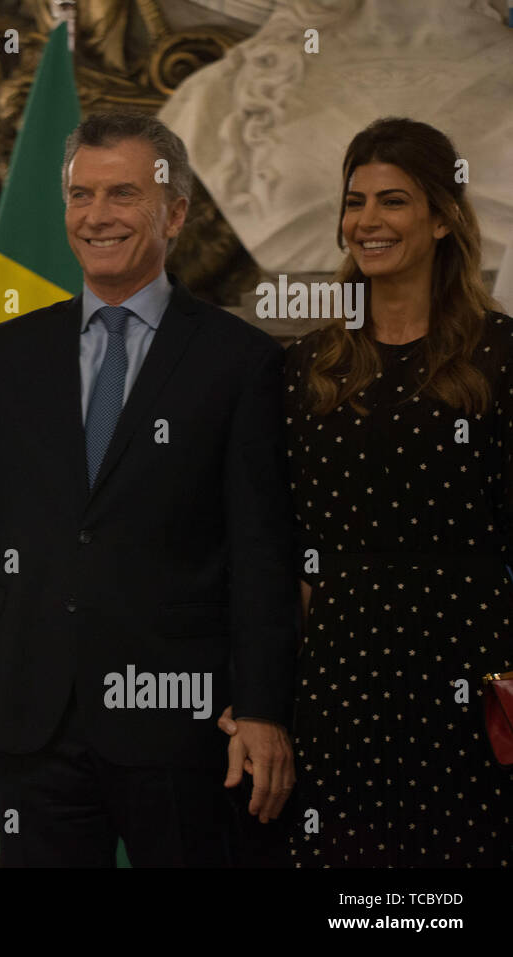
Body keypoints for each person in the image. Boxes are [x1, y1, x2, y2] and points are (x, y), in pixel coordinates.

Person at [0, 111, 299, 866]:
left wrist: (261, 708)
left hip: (182, 722)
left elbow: (263, 550)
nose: (96, 215)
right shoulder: (13, 349)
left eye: (123, 193)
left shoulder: (240, 360)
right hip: (37, 717)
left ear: (175, 211)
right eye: (81, 195)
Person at [283, 117, 513, 867]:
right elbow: (284, 548)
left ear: (444, 218)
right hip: (340, 681)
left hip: (474, 672)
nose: (368, 222)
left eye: (394, 201)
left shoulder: (502, 357)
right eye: (355, 202)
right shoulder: (307, 366)